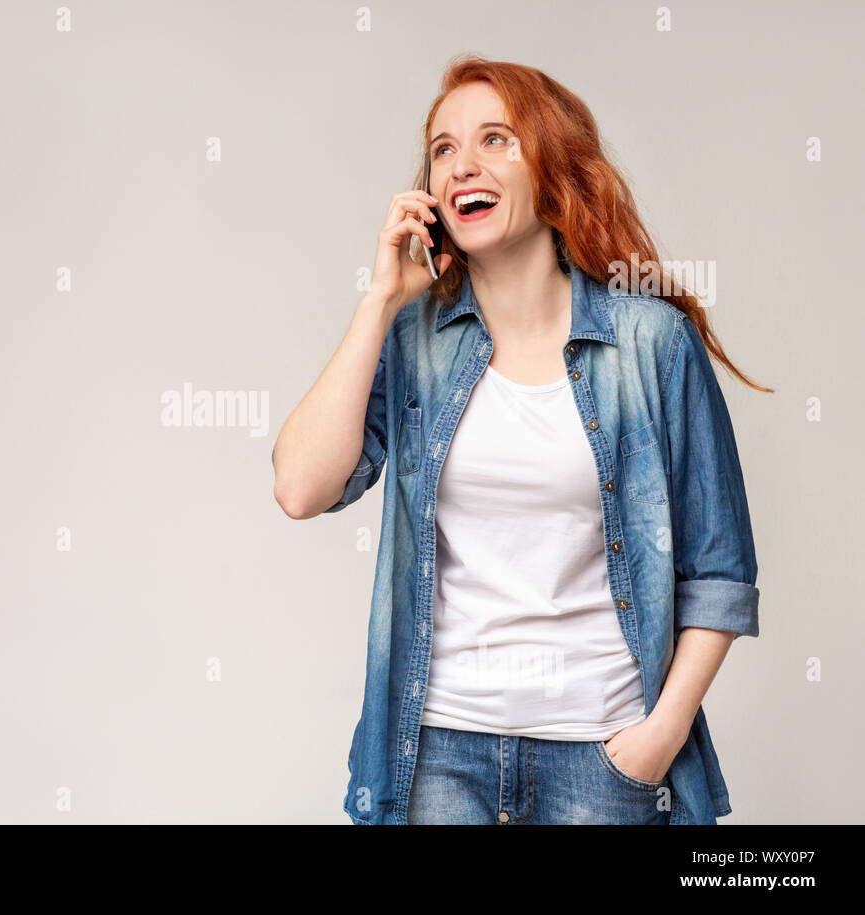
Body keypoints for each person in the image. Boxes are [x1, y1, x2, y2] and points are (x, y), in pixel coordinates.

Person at [269, 55, 768, 825]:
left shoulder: (651, 343)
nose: (462, 164)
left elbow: (720, 569)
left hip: (604, 757)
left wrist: (656, 740)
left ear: (552, 167)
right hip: (437, 753)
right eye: (442, 149)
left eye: (495, 139)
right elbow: (301, 488)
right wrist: (378, 302)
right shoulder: (412, 342)